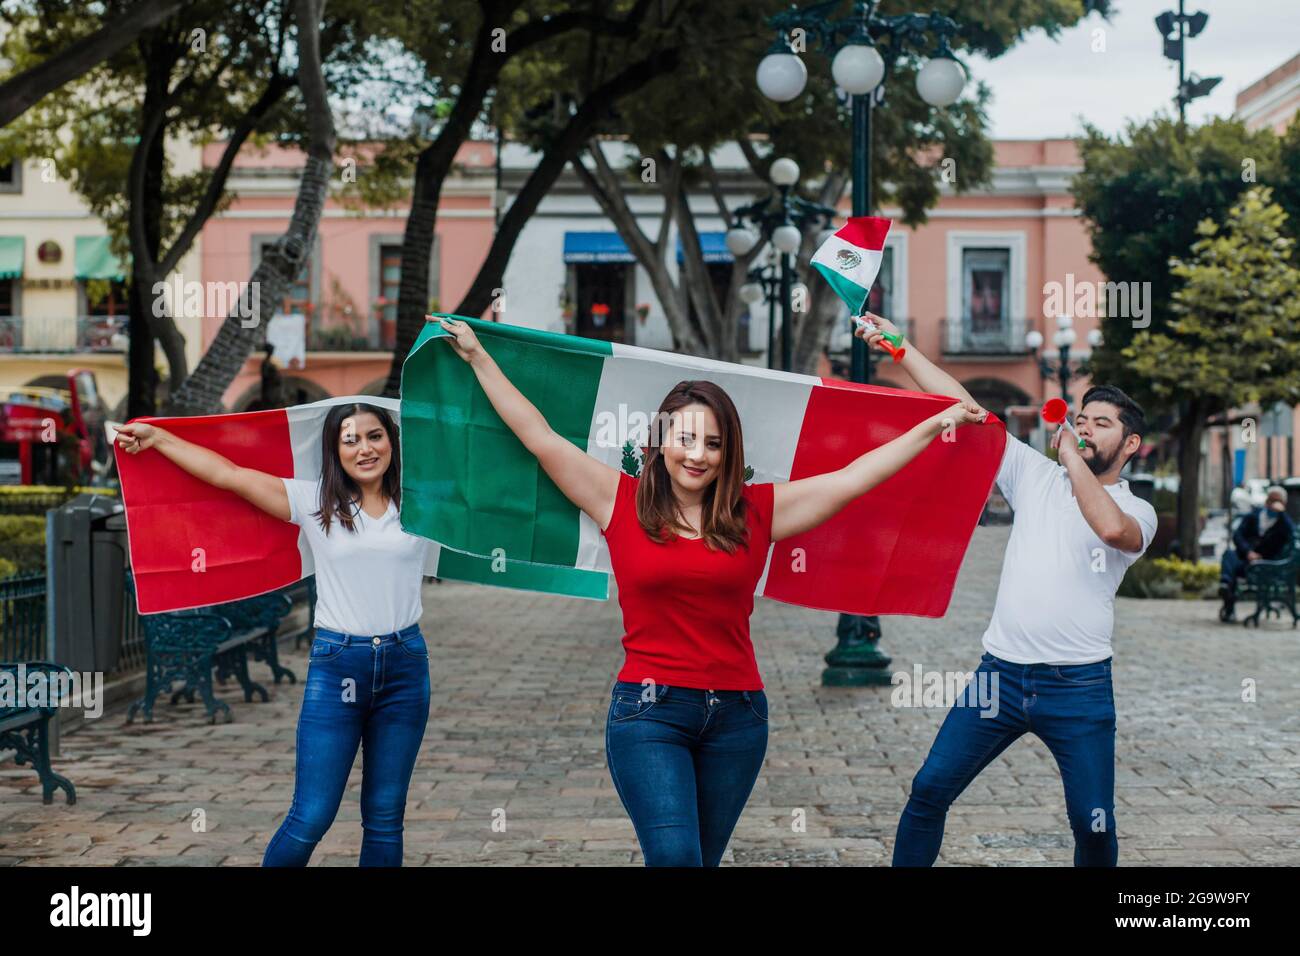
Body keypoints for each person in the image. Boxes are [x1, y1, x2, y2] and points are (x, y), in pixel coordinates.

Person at [436, 315, 985, 867]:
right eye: (686, 438)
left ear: (728, 453)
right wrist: (480, 356)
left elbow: (854, 477)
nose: (697, 455)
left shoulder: (759, 512)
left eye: (713, 444)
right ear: (661, 441)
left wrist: (933, 425)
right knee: (676, 856)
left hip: (738, 717)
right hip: (649, 713)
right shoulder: (617, 501)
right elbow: (539, 436)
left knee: (703, 859)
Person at [855, 314, 1158, 867]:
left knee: (1093, 824)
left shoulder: (1137, 509)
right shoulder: (1032, 476)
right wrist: (900, 346)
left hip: (1080, 687)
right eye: (1082, 419)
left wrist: (1068, 456)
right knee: (928, 791)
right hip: (1000, 677)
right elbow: (968, 407)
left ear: (1131, 443)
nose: (1086, 429)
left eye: (1102, 424)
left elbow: (1111, 530)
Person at [115, 403, 432, 867]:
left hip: (406, 667)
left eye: (375, 436)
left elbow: (486, 469)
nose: (365, 448)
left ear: (392, 441)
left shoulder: (421, 503)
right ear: (335, 451)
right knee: (312, 814)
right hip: (339, 665)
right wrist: (160, 439)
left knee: (385, 816)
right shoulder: (316, 501)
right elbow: (228, 474)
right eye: (351, 440)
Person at [1219, 486, 1295, 621]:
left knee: (1233, 569)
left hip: (1266, 563)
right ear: (1266, 501)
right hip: (1245, 558)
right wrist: (1248, 551)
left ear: (1284, 504)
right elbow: (1238, 535)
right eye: (1272, 500)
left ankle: (1227, 594)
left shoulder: (1283, 524)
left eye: (1278, 501)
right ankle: (1225, 588)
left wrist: (1282, 513)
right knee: (1229, 555)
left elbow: (1291, 533)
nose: (1274, 504)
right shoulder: (1253, 516)